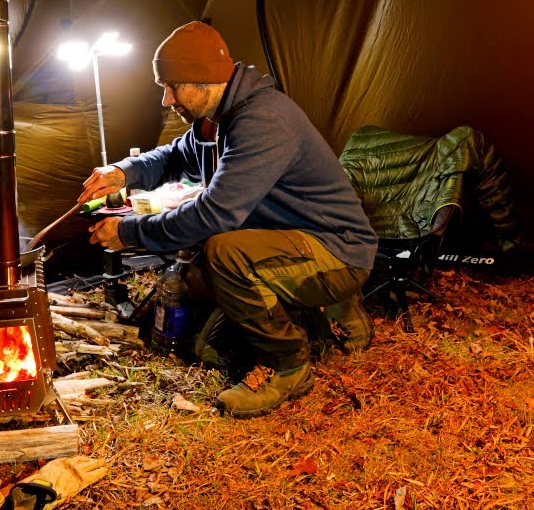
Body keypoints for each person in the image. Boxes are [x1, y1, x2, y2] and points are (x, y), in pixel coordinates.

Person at [78, 21, 378, 418]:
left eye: (172, 86)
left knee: (224, 251)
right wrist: (123, 172)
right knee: (211, 351)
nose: (166, 100)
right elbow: (174, 157)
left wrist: (130, 231)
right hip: (286, 240)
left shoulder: (263, 121)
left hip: (336, 249)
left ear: (202, 81)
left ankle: (289, 366)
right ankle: (318, 312)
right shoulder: (214, 119)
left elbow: (215, 213)